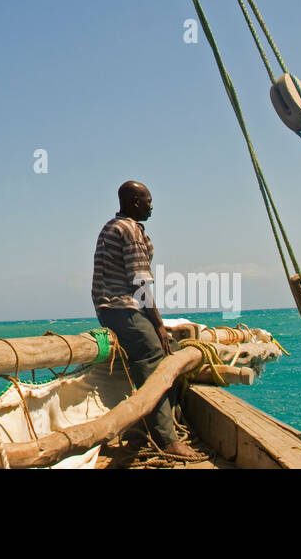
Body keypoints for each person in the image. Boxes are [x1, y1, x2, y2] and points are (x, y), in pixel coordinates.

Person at [92, 180, 204, 461]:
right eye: (147, 200)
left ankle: (168, 422)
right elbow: (140, 284)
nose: (152, 206)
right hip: (119, 307)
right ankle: (166, 438)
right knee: (154, 356)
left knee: (172, 353)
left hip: (113, 307)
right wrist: (157, 324)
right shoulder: (129, 230)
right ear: (134, 202)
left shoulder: (114, 226)